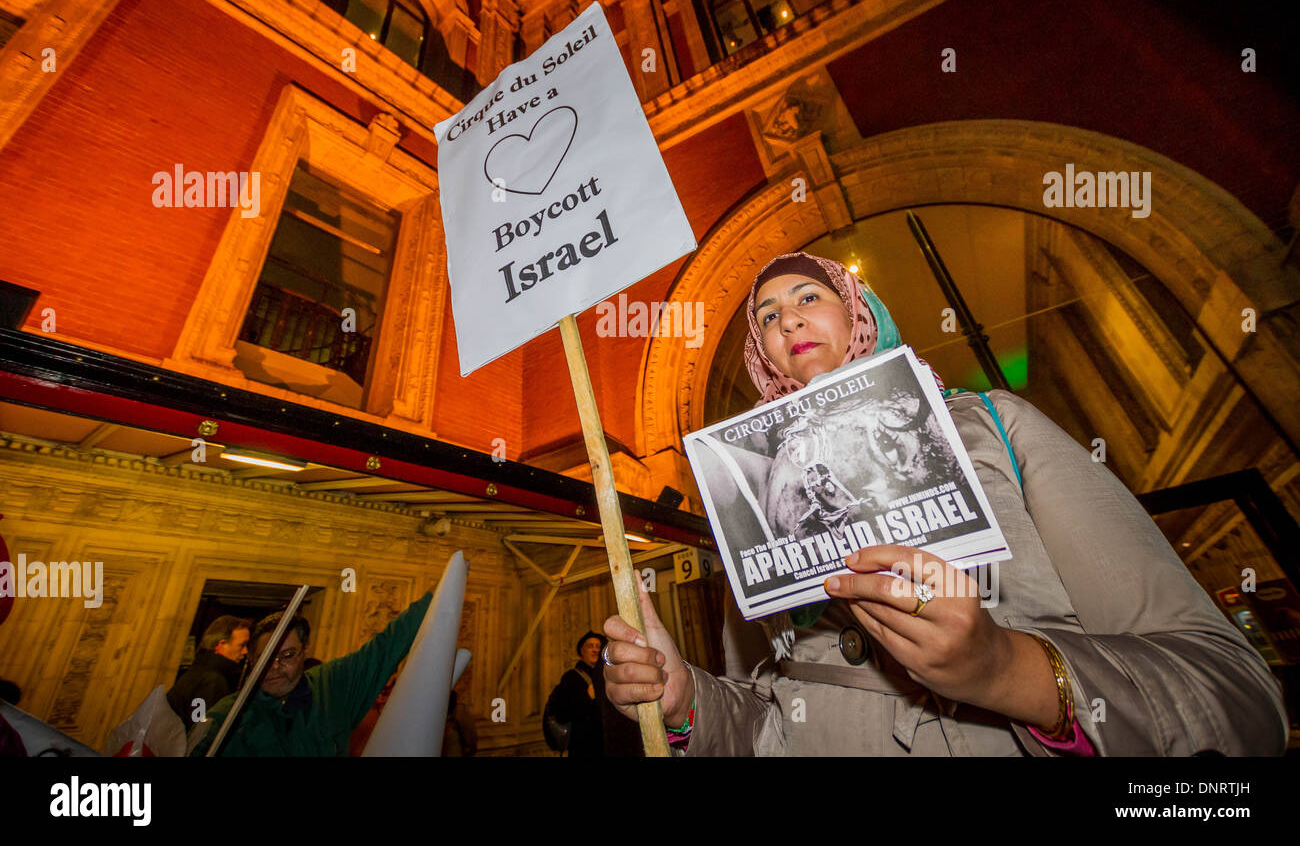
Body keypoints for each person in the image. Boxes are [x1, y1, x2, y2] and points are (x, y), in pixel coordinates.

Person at [602, 251, 1289, 756]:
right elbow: (764, 714)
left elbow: (1232, 694)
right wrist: (685, 698)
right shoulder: (751, 497)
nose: (790, 321)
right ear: (765, 356)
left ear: (856, 310)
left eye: (809, 296)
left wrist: (1009, 671)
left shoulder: (991, 426)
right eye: (770, 317)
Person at [189, 592, 431, 756]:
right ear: (252, 660)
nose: (274, 667)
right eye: (264, 659)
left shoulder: (330, 686)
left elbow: (386, 647)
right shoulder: (227, 715)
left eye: (287, 656)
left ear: (305, 651)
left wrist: (441, 593)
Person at [166, 615, 250, 724]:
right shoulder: (212, 681)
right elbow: (202, 728)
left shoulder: (198, 672)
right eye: (242, 645)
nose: (245, 651)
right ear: (221, 645)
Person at [543, 631, 607, 756]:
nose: (595, 650)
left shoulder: (604, 676)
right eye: (590, 646)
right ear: (582, 652)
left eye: (598, 646)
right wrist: (587, 698)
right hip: (584, 746)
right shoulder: (571, 677)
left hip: (605, 744)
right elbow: (561, 714)